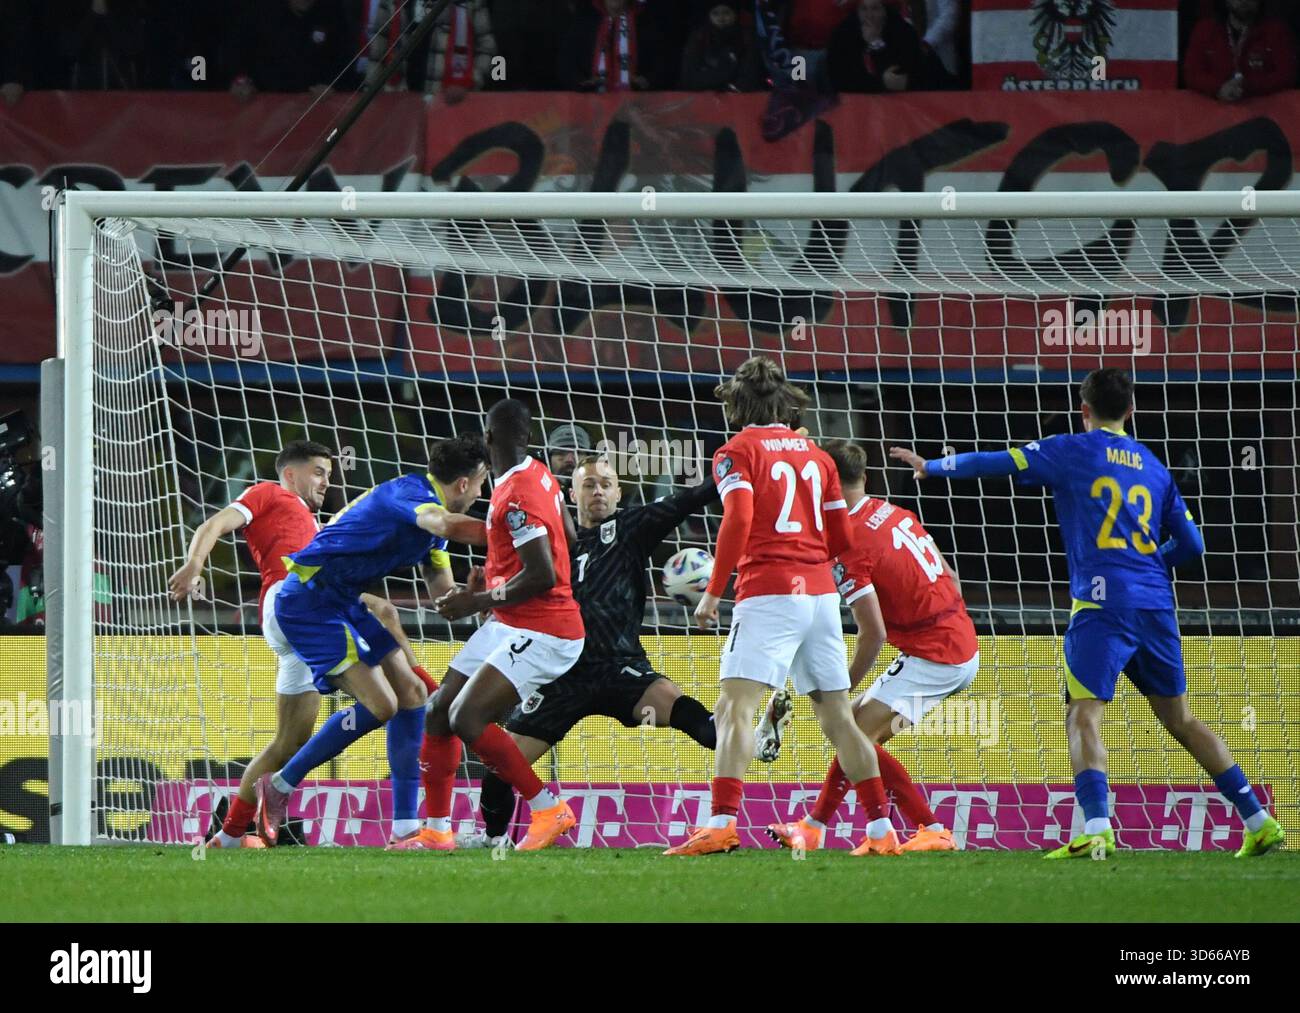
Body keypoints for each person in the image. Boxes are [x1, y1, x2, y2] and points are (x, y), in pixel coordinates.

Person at [889, 368, 1284, 859]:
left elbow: (1002, 462)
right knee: (1181, 719)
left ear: (1084, 409)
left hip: (1101, 605)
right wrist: (1146, 565)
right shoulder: (1154, 467)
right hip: (1156, 604)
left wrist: (934, 467)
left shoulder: (1073, 448)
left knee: (1083, 714)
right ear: (1132, 411)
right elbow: (1194, 544)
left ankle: (1096, 828)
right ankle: (1259, 818)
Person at [463, 453, 792, 847]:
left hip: (622, 668)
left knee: (687, 714)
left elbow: (688, 500)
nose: (598, 492)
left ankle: (755, 741)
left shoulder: (631, 527)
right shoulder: (547, 539)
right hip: (559, 674)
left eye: (606, 484)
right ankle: (493, 838)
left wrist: (735, 468)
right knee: (502, 765)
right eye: (589, 485)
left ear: (619, 493)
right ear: (572, 493)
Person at [665, 356, 899, 857]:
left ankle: (722, 824)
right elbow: (841, 537)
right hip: (819, 596)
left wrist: (713, 590)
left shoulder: (736, 451)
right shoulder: (819, 457)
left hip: (769, 592)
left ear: (737, 403)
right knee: (838, 718)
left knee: (735, 707)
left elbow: (738, 519)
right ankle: (881, 833)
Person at [252, 435, 490, 846]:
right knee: (382, 705)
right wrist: (511, 531)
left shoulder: (437, 533)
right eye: (483, 482)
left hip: (342, 600)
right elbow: (442, 522)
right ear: (465, 483)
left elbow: (444, 598)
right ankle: (280, 786)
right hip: (308, 599)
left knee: (413, 693)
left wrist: (478, 596)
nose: (483, 493)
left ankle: (403, 830)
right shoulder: (410, 494)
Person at [767, 439, 974, 853]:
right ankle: (812, 827)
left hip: (937, 653)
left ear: (824, 483)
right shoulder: (896, 513)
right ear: (864, 477)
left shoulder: (847, 542)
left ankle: (929, 827)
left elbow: (873, 631)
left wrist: (838, 690)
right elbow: (952, 579)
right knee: (858, 734)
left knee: (853, 731)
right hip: (950, 639)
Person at [397, 399, 586, 852]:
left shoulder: (518, 494)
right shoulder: (537, 473)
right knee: (439, 710)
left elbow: (544, 574)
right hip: (511, 620)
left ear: (488, 439)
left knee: (468, 716)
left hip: (546, 630)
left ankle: (547, 808)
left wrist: (477, 599)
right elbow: (571, 538)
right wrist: (498, 571)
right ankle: (438, 830)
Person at [1184, 0, 1297, 101]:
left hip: (1262, 112)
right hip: (1214, 113)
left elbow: (1286, 75)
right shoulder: (1205, 30)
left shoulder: (1276, 32)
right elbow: (1191, 73)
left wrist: (1248, 86)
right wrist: (1218, 88)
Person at [679, 1, 763, 92]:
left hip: (739, 98)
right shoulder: (699, 38)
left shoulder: (746, 38)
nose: (721, 18)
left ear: (735, 15)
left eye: (726, 13)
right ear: (709, 16)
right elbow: (689, 77)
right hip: (704, 97)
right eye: (715, 13)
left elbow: (751, 75)